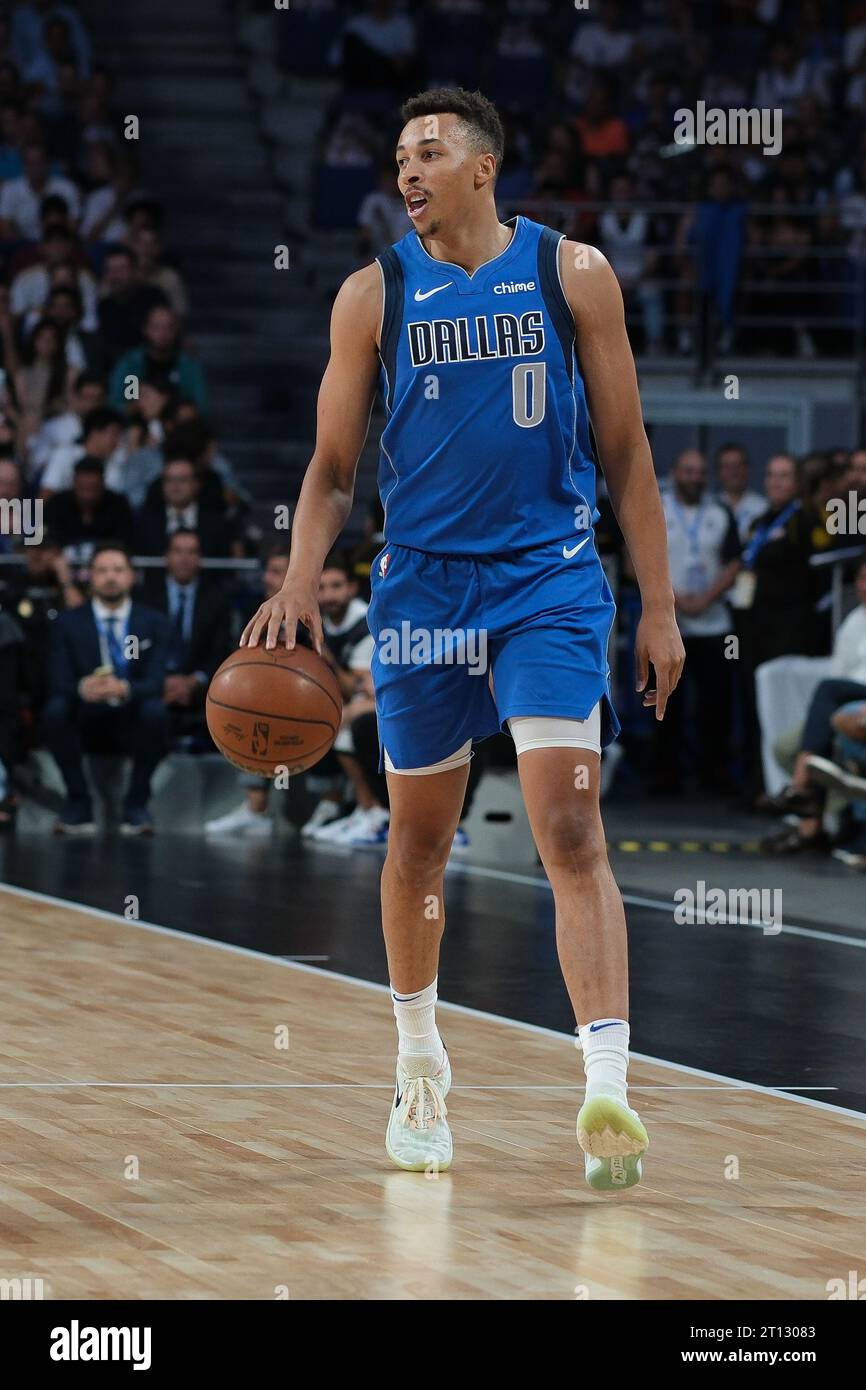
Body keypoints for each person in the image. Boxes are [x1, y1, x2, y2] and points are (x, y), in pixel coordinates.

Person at [241, 88, 683, 1190]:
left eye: (429, 151)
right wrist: (297, 579)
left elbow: (628, 452)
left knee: (568, 824)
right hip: (424, 597)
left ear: (483, 167)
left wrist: (660, 605)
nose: (408, 169)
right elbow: (332, 471)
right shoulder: (372, 293)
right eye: (400, 154)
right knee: (418, 844)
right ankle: (419, 1065)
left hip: (548, 584)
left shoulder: (572, 273)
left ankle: (608, 1088)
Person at [42, 541, 171, 834]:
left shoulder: (153, 622)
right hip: (85, 711)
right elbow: (56, 680)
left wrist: (124, 688)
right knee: (55, 710)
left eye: (118, 570)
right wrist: (82, 688)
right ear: (90, 576)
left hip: (131, 710)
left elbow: (156, 682)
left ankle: (136, 805)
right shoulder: (67, 623)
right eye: (102, 570)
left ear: (131, 575)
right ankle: (78, 803)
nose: (110, 577)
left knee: (155, 712)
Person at [762, 557, 866, 854]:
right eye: (861, 578)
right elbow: (838, 671)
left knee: (828, 695)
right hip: (844, 700)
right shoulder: (854, 621)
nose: (864, 585)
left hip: (855, 700)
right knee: (785, 746)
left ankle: (803, 796)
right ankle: (812, 815)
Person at [653, 449, 740, 793]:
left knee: (715, 703)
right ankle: (665, 776)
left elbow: (734, 562)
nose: (695, 477)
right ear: (675, 473)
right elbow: (634, 558)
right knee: (664, 702)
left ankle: (714, 774)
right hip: (667, 623)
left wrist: (706, 598)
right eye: (688, 471)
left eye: (700, 472)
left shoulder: (719, 511)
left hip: (713, 623)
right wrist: (670, 598)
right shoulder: (656, 506)